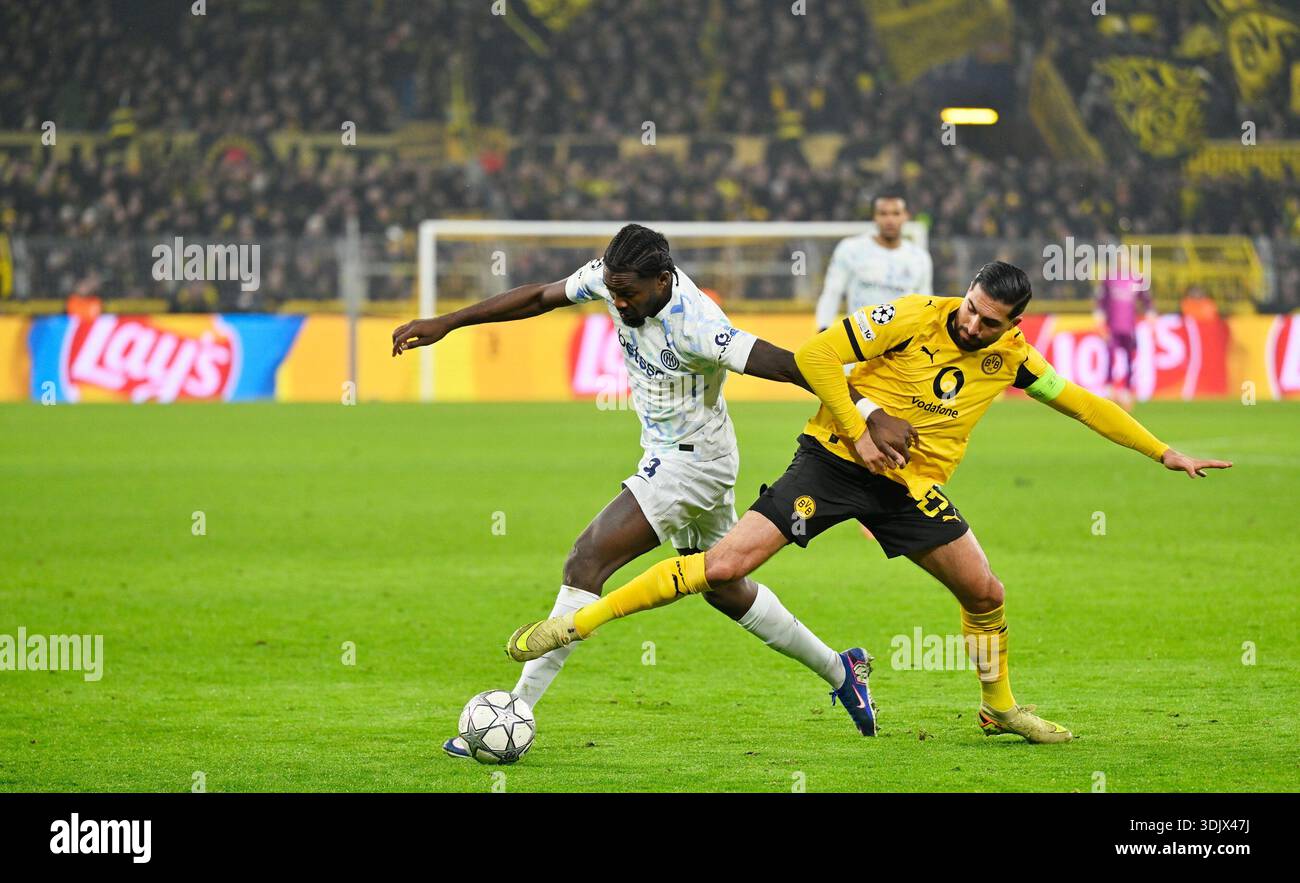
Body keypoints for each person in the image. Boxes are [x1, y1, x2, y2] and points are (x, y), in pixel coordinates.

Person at [507, 261, 1232, 744]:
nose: (973, 325)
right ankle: (576, 626)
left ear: (1012, 325)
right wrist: (859, 429)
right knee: (725, 563)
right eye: (973, 309)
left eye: (989, 321)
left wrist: (1161, 449)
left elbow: (1079, 402)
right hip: (831, 462)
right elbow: (817, 355)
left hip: (908, 488)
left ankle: (1000, 707)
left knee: (985, 589)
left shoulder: (1011, 358)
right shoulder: (915, 315)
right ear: (967, 293)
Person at [393, 224, 918, 754]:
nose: (617, 302)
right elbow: (538, 297)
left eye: (628, 294)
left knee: (586, 561)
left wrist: (869, 414)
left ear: (664, 280)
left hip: (692, 466)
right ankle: (841, 668)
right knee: (722, 586)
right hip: (689, 454)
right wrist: (448, 322)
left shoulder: (700, 326)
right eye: (613, 291)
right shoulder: (611, 278)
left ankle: (514, 712)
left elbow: (792, 365)